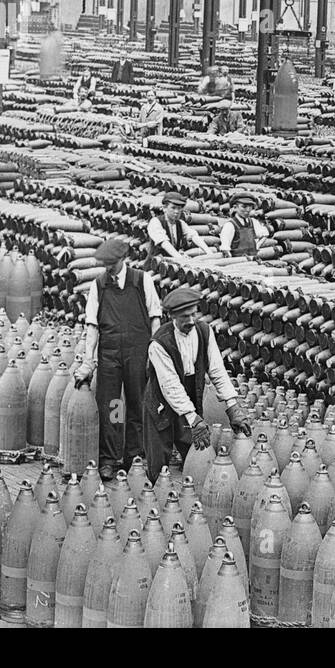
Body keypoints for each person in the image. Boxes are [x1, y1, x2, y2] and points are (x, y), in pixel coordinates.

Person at [75, 238, 162, 481]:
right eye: (106, 265)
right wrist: (88, 360)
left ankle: (134, 455)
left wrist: (153, 353)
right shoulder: (99, 285)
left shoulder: (141, 280)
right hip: (110, 354)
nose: (108, 269)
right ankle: (109, 459)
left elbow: (155, 317)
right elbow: (92, 325)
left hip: (138, 352)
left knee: (137, 403)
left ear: (123, 259)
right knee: (113, 405)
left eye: (112, 264)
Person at [142, 287, 250, 481]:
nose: (191, 321)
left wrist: (233, 406)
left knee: (195, 453)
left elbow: (217, 370)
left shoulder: (204, 331)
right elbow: (171, 386)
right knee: (158, 459)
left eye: (194, 314)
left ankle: (189, 499)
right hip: (161, 400)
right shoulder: (159, 343)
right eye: (185, 316)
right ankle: (156, 499)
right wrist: (193, 419)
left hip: (191, 392)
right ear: (172, 315)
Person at [147, 191, 211, 260]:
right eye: (173, 208)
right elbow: (164, 243)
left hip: (172, 265)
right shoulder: (155, 222)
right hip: (155, 265)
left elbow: (194, 236)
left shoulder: (180, 223)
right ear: (164, 208)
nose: (177, 211)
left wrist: (209, 253)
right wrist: (180, 258)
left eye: (179, 208)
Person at [218, 191, 270, 257]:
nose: (248, 210)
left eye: (250, 207)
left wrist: (256, 247)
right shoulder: (230, 225)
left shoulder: (253, 222)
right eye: (244, 206)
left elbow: (265, 234)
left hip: (252, 261)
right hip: (238, 262)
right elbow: (225, 248)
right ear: (235, 207)